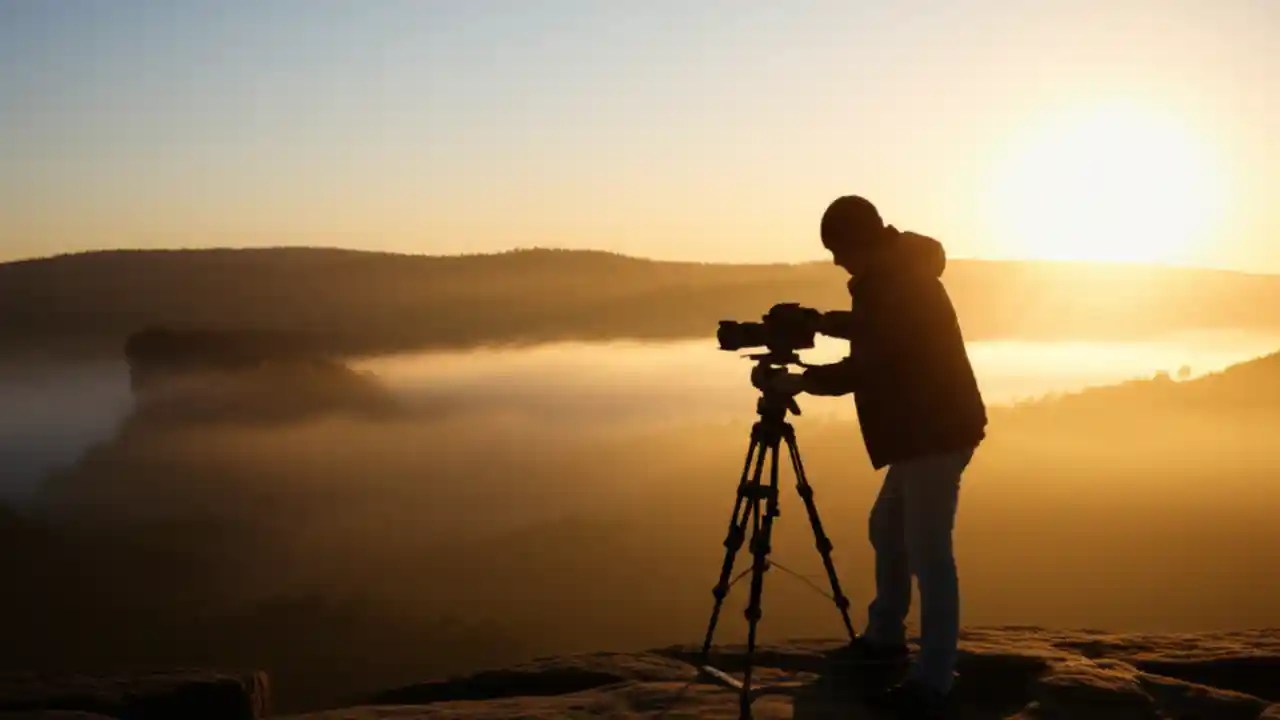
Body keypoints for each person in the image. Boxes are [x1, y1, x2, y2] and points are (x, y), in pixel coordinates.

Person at [765, 195, 987, 718]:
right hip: (923, 429)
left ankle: (933, 682)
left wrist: (802, 379)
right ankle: (886, 636)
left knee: (928, 549)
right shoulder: (894, 275)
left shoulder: (898, 283)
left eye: (838, 251)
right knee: (887, 528)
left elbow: (870, 364)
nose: (837, 262)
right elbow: (879, 332)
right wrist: (823, 322)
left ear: (857, 243)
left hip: (933, 431)